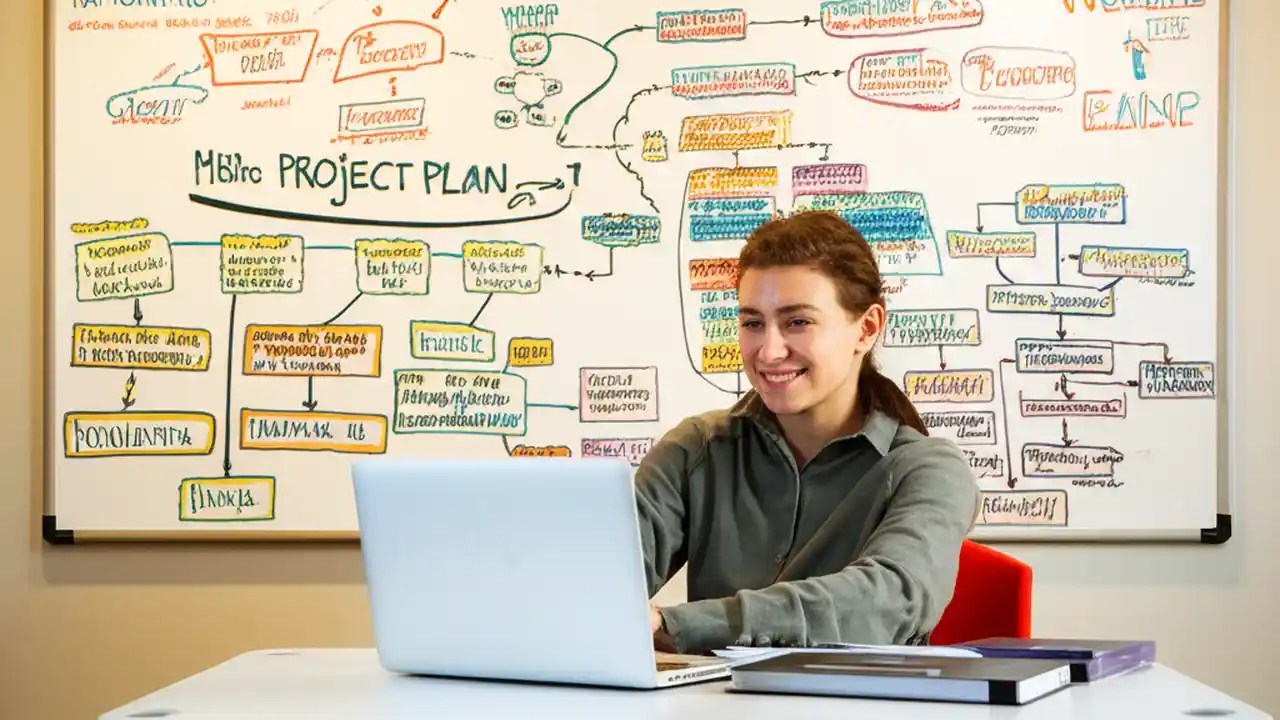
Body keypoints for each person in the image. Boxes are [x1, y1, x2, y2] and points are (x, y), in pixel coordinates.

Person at [635, 210, 981, 655]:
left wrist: (677, 625)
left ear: (867, 328)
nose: (769, 349)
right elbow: (599, 579)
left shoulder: (928, 470)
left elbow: (885, 603)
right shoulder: (695, 450)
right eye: (752, 323)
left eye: (797, 322)